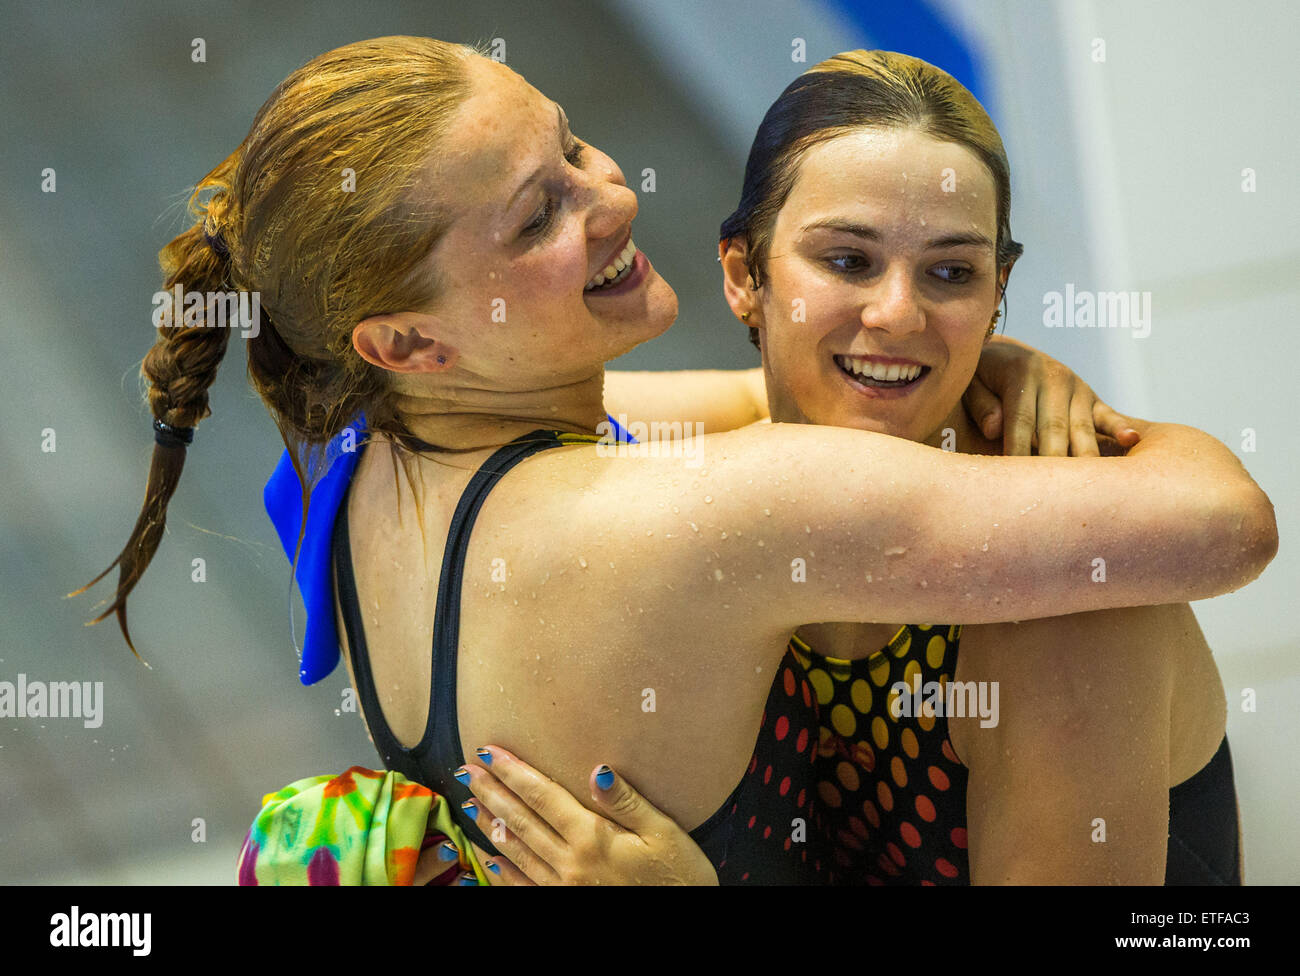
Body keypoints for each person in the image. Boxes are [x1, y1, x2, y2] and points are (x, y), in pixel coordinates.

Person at [70, 38, 1275, 885]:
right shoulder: (719, 514)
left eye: (576, 147)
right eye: (536, 216)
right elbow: (1228, 523)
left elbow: (777, 399)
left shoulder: (359, 439)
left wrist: (992, 367)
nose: (609, 197)